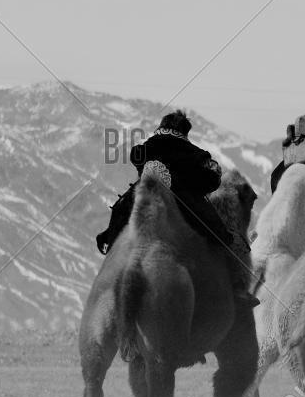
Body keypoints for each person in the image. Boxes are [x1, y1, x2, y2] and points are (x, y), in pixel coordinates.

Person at [95, 110, 257, 308]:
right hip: (184, 200)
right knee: (220, 234)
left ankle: (110, 265)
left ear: (162, 126)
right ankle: (236, 291)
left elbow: (136, 159)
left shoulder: (144, 148)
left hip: (143, 192)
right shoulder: (195, 154)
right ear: (184, 131)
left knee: (120, 213)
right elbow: (212, 178)